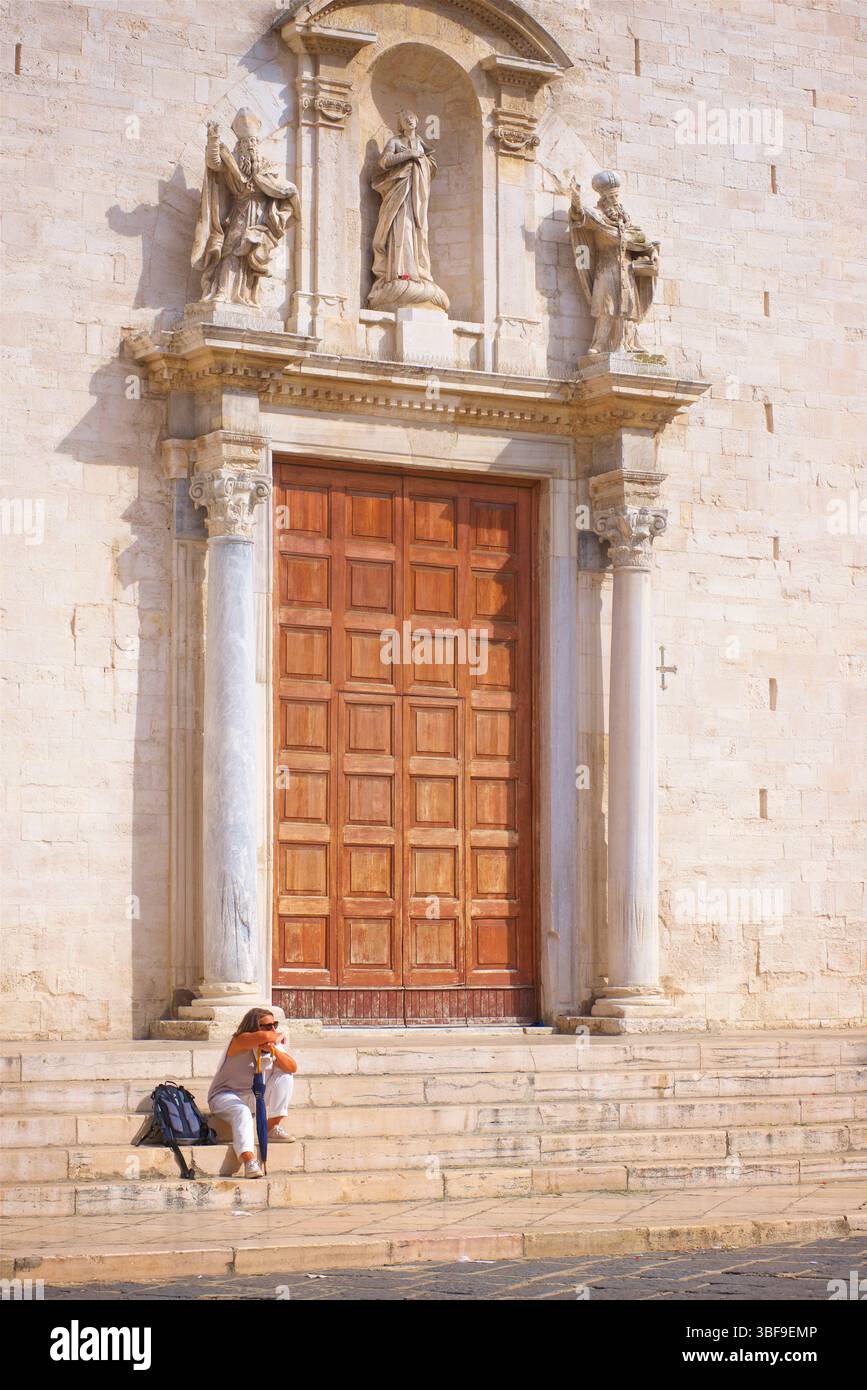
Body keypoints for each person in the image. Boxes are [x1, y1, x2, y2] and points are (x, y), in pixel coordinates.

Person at [207, 1007, 298, 1178]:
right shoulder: (240, 1040)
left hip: (254, 1096)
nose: (272, 1029)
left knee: (285, 1075)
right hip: (224, 1096)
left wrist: (274, 1050)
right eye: (267, 1026)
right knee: (242, 1111)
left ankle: (271, 1127)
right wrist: (276, 1036)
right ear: (254, 1027)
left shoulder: (270, 1044)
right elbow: (267, 1036)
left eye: (275, 1025)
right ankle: (249, 1160)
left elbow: (292, 1066)